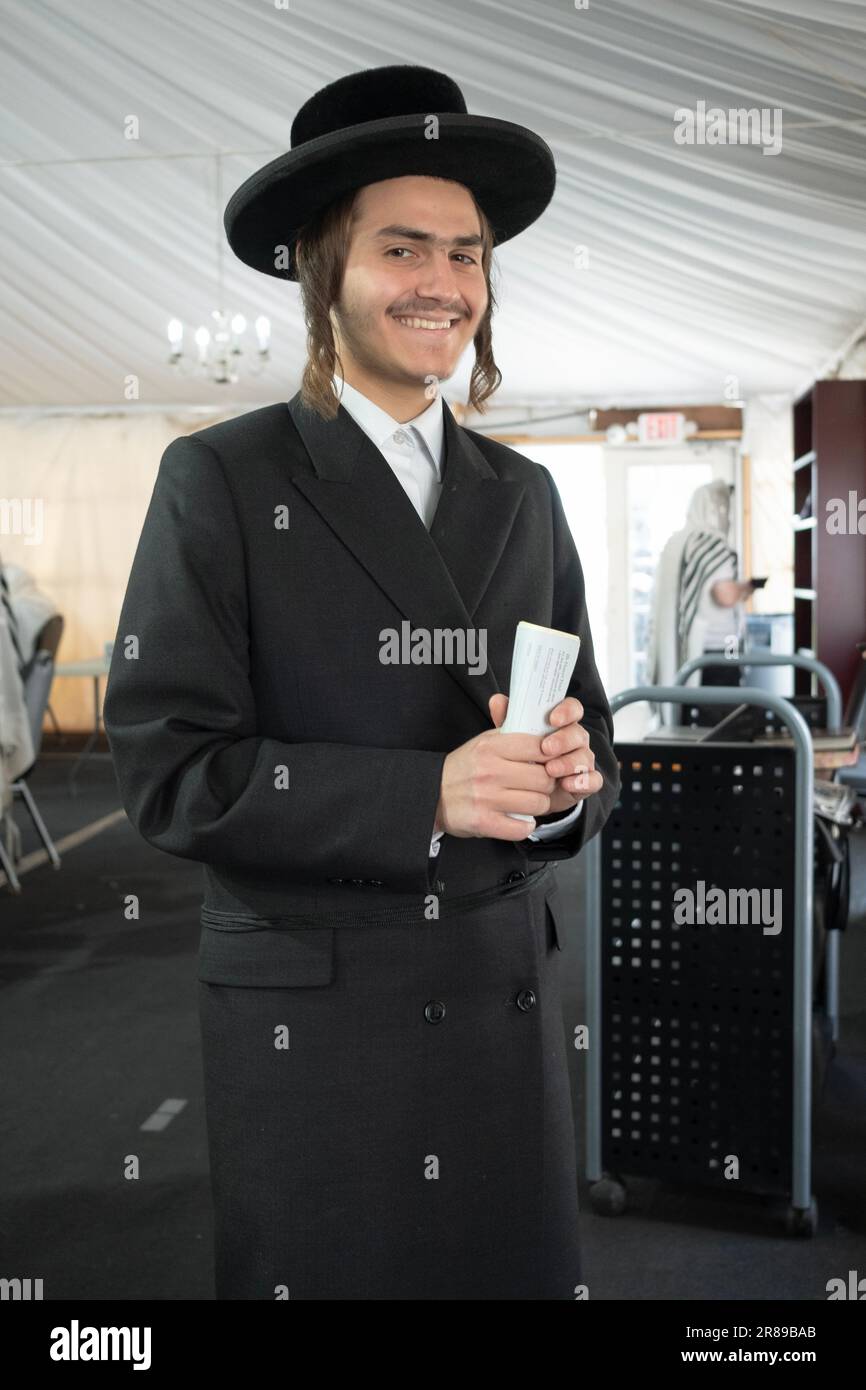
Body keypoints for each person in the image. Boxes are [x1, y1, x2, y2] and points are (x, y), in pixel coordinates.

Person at [102, 64, 620, 1300]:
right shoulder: (220, 480)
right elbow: (170, 773)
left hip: (495, 988)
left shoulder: (525, 495)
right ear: (317, 266)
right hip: (319, 1015)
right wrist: (422, 797)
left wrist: (561, 787)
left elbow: (589, 737)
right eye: (402, 248)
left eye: (467, 252)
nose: (443, 283)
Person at [646, 479, 758, 726]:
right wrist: (746, 587)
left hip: (681, 648)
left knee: (687, 715)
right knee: (720, 720)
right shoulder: (712, 544)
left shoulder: (677, 542)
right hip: (719, 647)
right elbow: (724, 594)